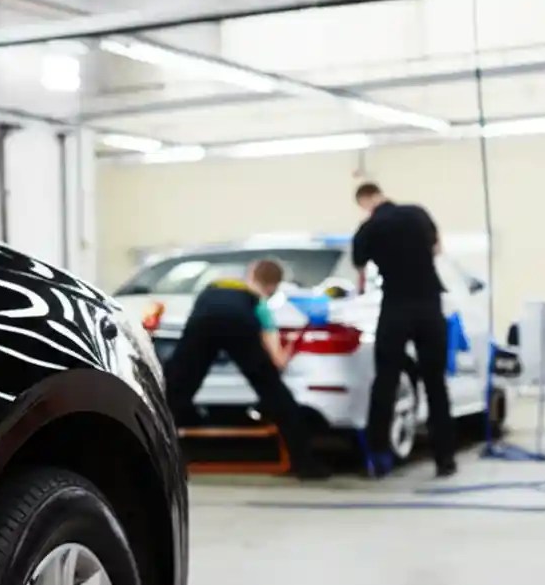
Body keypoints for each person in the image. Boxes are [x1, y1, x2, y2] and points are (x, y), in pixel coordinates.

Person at [164, 260, 325, 479]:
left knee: (175, 391)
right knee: (273, 392)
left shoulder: (214, 287)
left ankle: (164, 464)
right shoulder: (259, 303)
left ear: (252, 274)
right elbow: (276, 358)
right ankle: (305, 464)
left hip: (203, 320)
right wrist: (284, 356)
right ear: (273, 286)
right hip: (239, 323)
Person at [352, 182, 457, 477]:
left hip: (396, 306)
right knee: (435, 382)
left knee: (385, 381)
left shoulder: (368, 227)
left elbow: (360, 268)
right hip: (428, 304)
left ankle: (379, 458)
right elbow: (437, 249)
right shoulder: (417, 213)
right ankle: (445, 459)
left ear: (364, 202)